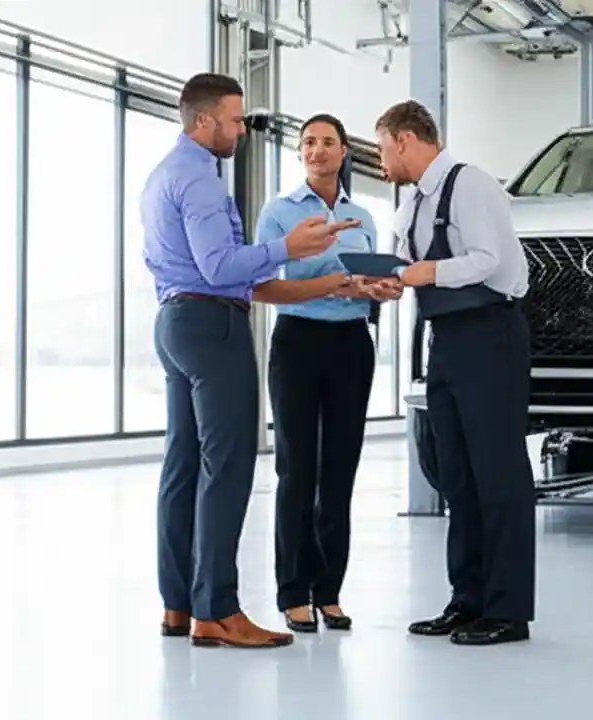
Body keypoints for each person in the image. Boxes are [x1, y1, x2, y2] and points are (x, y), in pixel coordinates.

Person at [141, 72, 359, 649]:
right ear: (205, 120)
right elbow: (220, 269)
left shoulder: (162, 174)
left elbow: (219, 271)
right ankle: (217, 609)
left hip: (175, 322)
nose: (242, 129)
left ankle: (178, 604)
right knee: (228, 465)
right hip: (212, 325)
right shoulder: (203, 181)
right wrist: (290, 248)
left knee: (183, 465)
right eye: (236, 120)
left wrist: (327, 277)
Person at [372, 99, 535, 646]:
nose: (380, 160)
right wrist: (385, 280)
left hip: (490, 335)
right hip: (445, 338)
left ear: (404, 139)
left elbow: (490, 259)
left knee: (499, 474)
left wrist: (426, 271)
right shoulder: (412, 204)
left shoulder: (471, 184)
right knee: (456, 475)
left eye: (381, 147)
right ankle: (467, 601)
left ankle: (508, 611)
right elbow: (405, 264)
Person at [257, 113, 402, 634]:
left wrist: (381, 288)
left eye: (327, 143)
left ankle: (329, 591)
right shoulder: (278, 213)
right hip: (298, 340)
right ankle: (293, 591)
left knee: (340, 469)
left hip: (350, 343)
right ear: (301, 153)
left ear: (344, 152)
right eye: (308, 143)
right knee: (297, 470)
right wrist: (336, 280)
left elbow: (368, 279)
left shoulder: (362, 215)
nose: (317, 150)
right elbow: (268, 283)